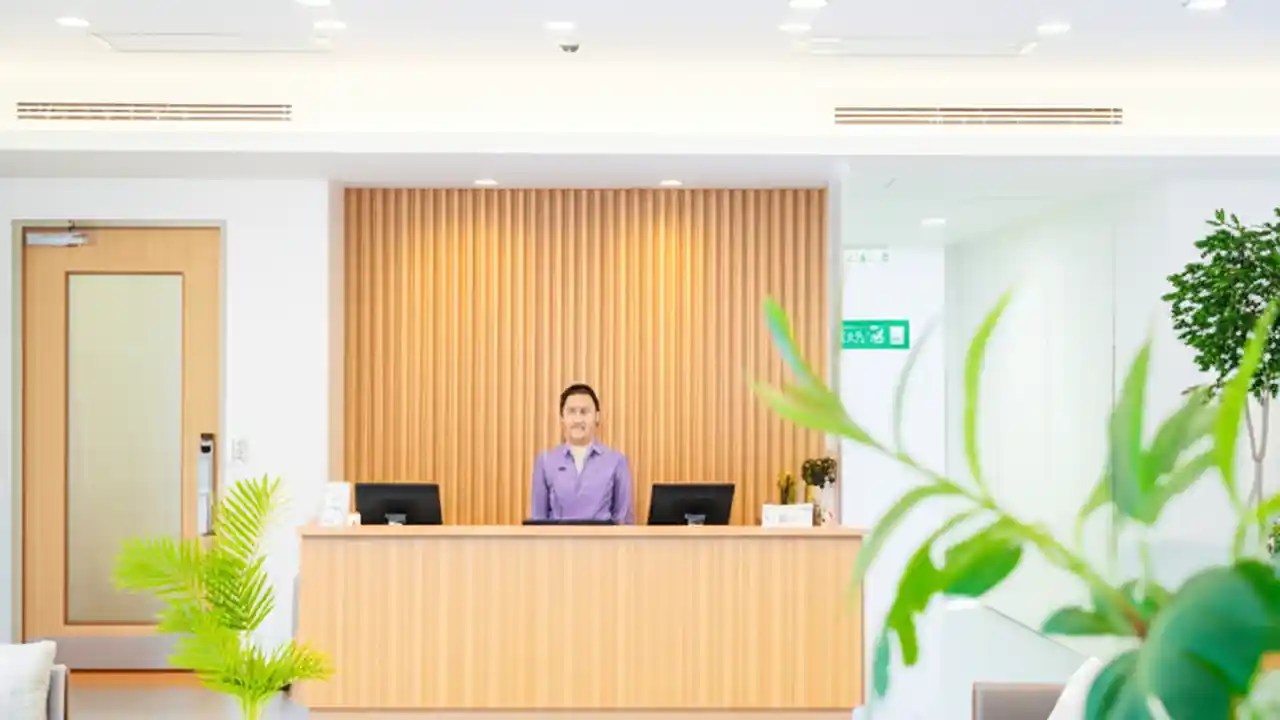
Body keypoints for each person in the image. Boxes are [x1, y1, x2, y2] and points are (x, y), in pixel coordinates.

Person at [529, 383, 634, 524]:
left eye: (584, 412)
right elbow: (538, 520)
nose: (578, 419)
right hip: (557, 545)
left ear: (597, 416)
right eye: (572, 411)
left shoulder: (616, 461)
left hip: (604, 545)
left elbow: (624, 519)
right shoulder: (545, 461)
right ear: (562, 417)